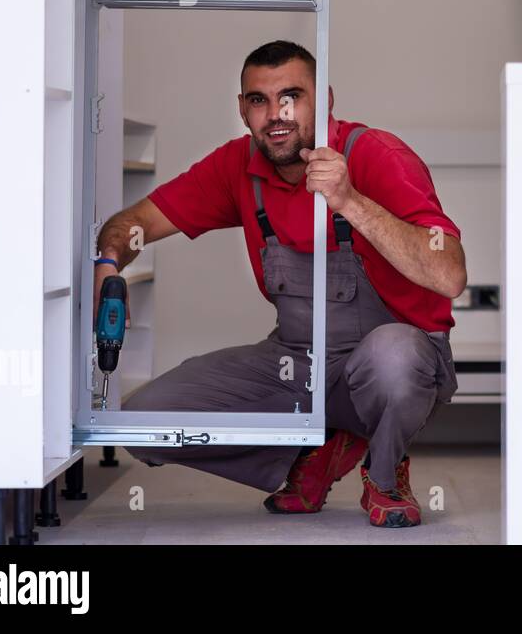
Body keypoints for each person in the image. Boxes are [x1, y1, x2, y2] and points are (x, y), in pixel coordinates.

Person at [94, 40, 467, 528]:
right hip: (300, 362)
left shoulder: (375, 155)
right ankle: (311, 460)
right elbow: (134, 223)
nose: (276, 114)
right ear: (242, 109)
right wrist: (108, 262)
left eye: (292, 96)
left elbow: (451, 274)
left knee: (393, 356)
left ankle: (384, 472)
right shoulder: (238, 167)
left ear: (324, 99)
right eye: (259, 100)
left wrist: (349, 200)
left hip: (397, 366)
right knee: (144, 422)